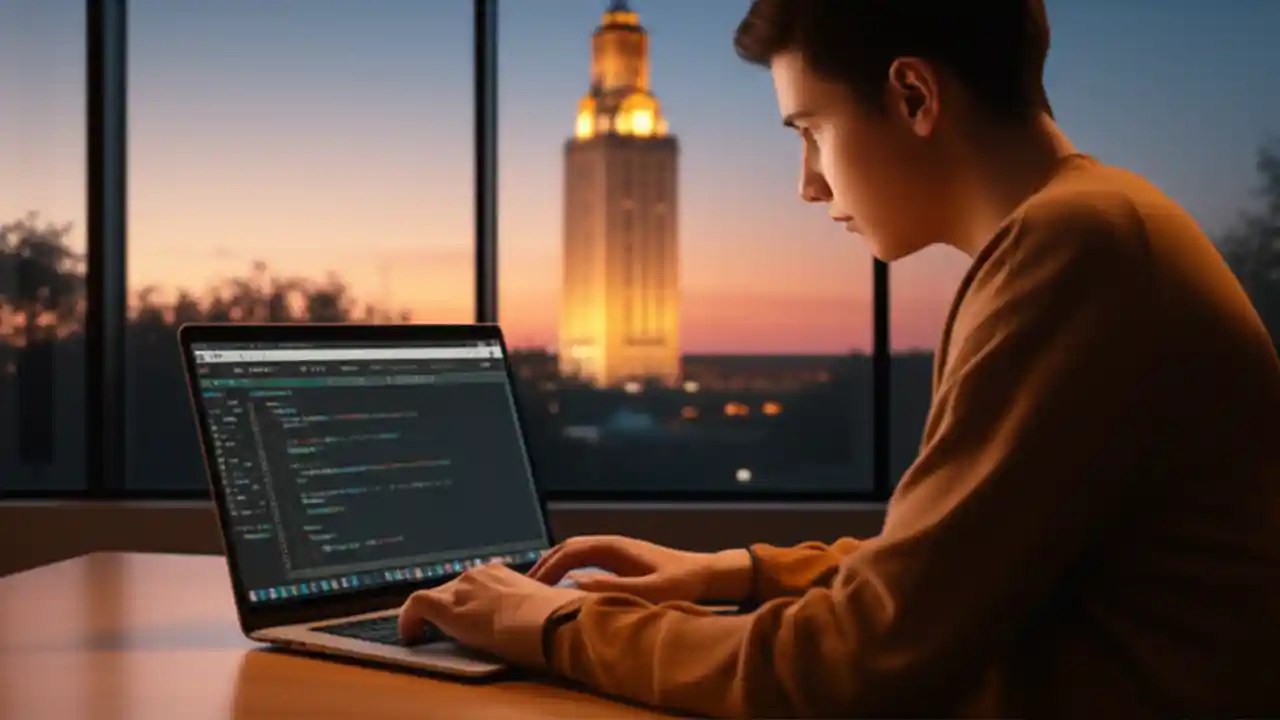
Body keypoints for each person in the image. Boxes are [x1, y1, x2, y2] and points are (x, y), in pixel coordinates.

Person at [399, 1, 1280, 716]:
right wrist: (728, 573)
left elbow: (857, 663)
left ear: (912, 97)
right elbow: (951, 566)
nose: (807, 182)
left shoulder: (1077, 250)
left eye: (809, 129)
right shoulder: (1093, 224)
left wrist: (553, 626)